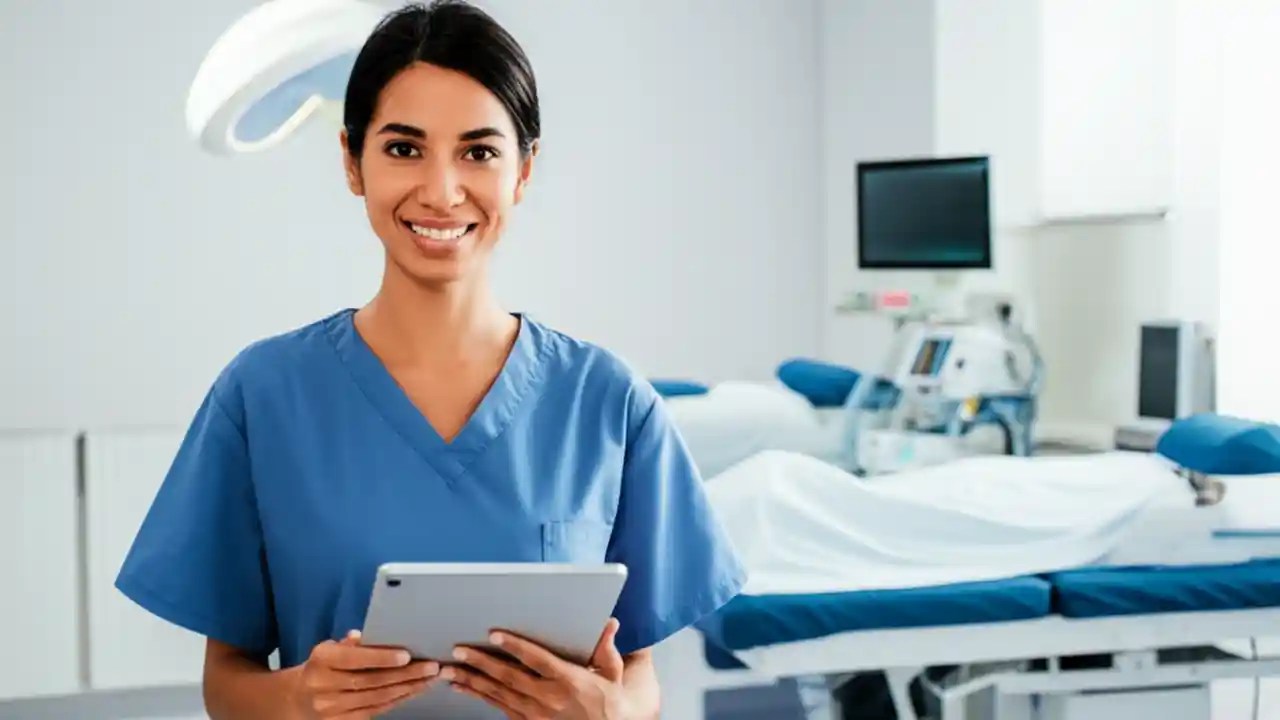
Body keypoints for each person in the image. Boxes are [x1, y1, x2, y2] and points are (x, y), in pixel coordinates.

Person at [114, 1, 746, 718]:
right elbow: (226, 683)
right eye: (404, 149)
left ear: (524, 170)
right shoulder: (263, 396)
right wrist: (299, 699)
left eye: (478, 151)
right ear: (352, 162)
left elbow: (637, 674)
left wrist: (613, 713)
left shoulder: (606, 401)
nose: (441, 192)